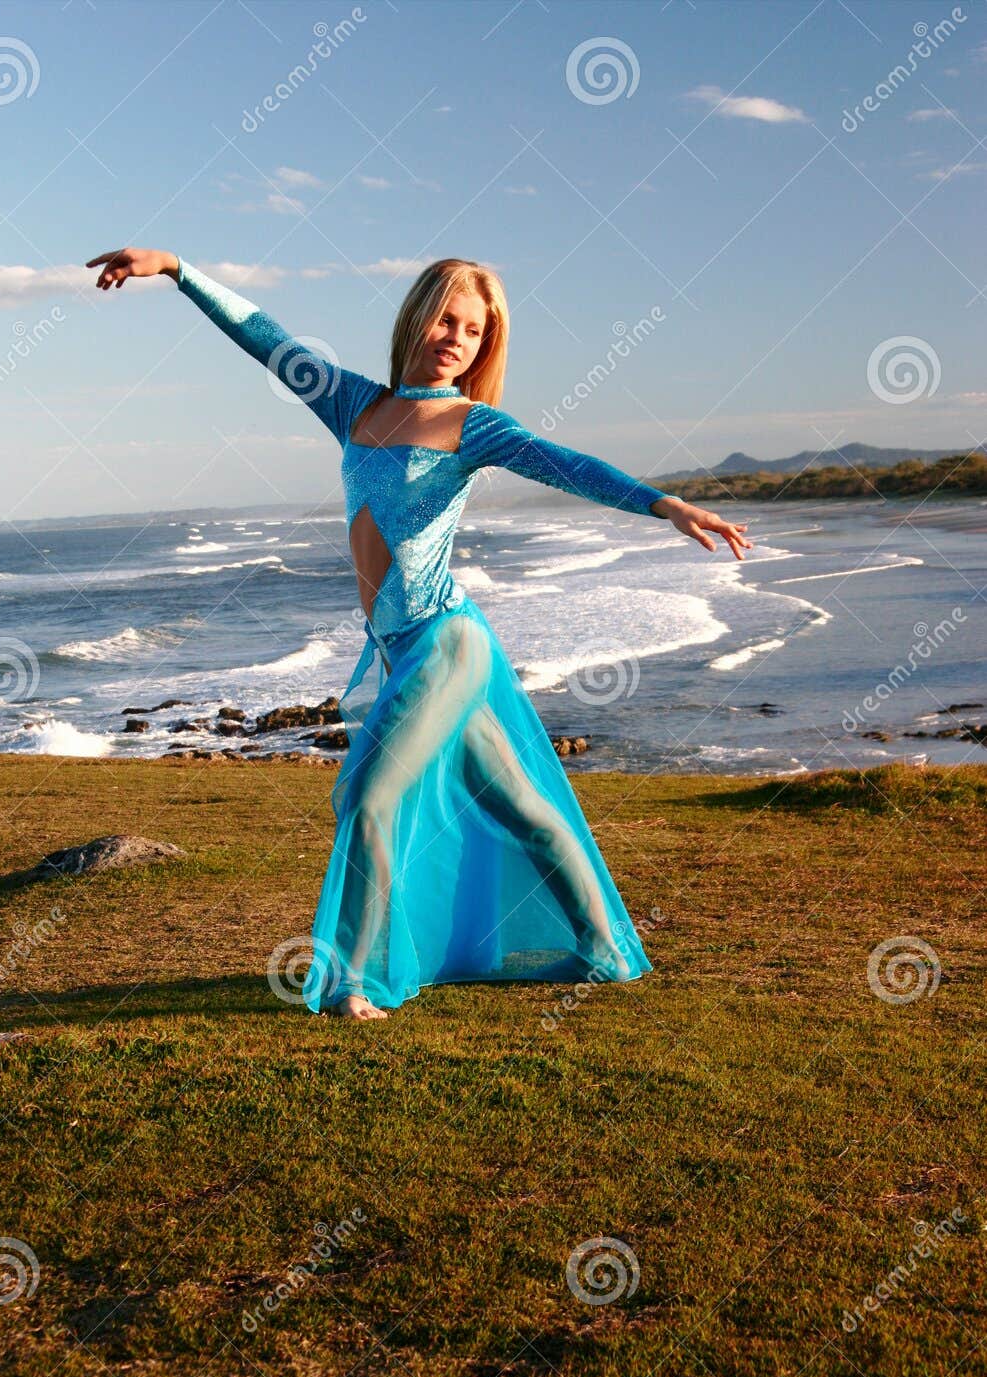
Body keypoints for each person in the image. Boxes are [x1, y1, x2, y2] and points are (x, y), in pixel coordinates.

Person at [87, 246, 752, 1021]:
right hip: (401, 650)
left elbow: (567, 466)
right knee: (520, 809)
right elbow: (265, 336)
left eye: (473, 331)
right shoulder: (351, 405)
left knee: (364, 796)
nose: (455, 337)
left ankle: (356, 981)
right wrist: (174, 269)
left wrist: (661, 504)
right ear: (416, 316)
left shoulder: (473, 426)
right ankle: (602, 949)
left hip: (446, 641)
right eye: (446, 317)